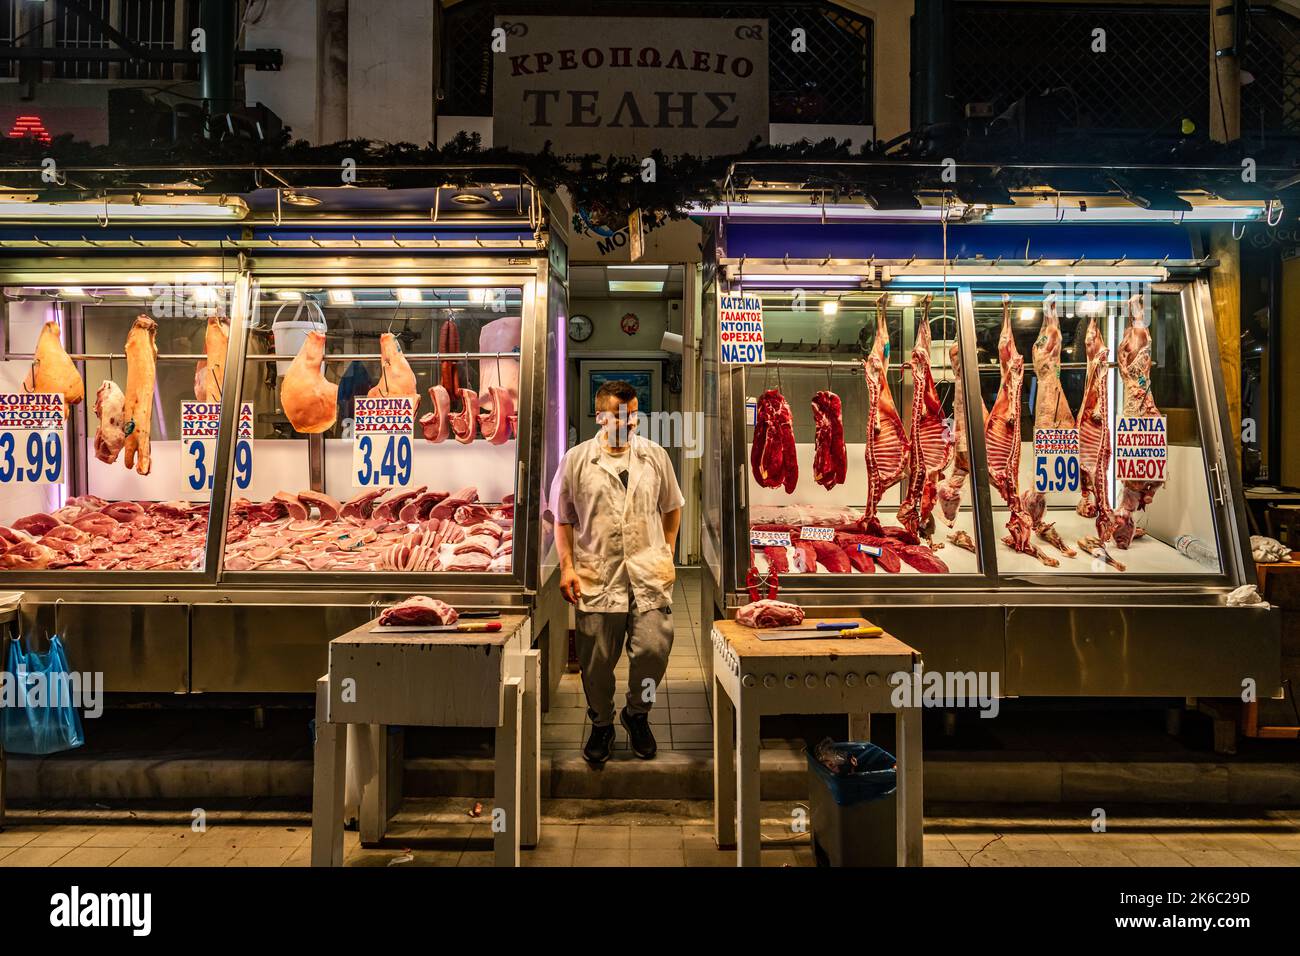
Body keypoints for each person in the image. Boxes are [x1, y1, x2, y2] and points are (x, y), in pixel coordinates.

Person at [556, 380, 684, 764]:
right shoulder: (577, 460)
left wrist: (669, 548)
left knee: (653, 653)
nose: (627, 425)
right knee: (596, 665)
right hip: (597, 576)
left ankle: (637, 714)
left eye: (633, 418)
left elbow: (672, 505)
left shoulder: (655, 456)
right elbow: (562, 518)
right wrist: (566, 568)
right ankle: (601, 723)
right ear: (600, 416)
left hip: (649, 574)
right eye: (619, 416)